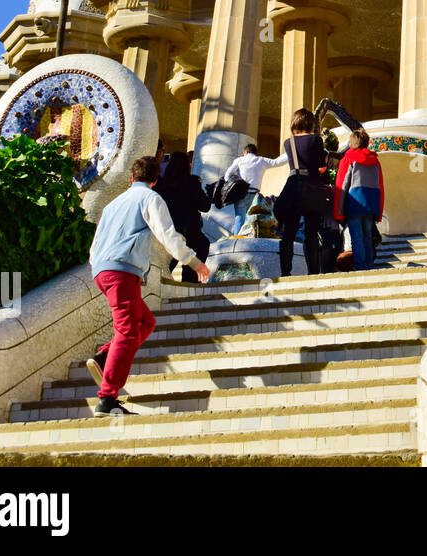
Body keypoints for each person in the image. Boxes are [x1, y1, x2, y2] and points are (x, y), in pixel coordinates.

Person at [85, 156, 210, 416]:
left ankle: (105, 357)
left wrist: (99, 266)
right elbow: (167, 235)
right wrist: (194, 262)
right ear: (155, 180)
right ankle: (107, 398)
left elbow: (96, 242)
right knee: (129, 331)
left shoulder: (113, 204)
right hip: (121, 270)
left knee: (145, 323)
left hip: (102, 270)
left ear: (132, 177)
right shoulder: (151, 198)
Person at [274, 108, 329, 277]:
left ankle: (285, 272)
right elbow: (321, 165)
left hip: (293, 186)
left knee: (289, 233)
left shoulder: (287, 142)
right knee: (311, 233)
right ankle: (312, 271)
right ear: (310, 122)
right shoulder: (315, 140)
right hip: (311, 186)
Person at [153, 152, 211, 283]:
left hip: (167, 229)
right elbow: (205, 206)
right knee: (201, 246)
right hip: (188, 229)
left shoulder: (161, 184)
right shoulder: (191, 182)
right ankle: (190, 281)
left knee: (170, 258)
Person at [333, 128, 384, 270]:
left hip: (354, 203)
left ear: (352, 142)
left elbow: (342, 185)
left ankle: (360, 266)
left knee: (356, 236)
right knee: (368, 236)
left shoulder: (348, 159)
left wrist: (339, 209)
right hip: (371, 204)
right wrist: (378, 209)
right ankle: (369, 265)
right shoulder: (375, 161)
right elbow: (380, 186)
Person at [223, 143, 286, 234]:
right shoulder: (261, 160)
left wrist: (231, 185)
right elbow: (277, 162)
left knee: (239, 217)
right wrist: (290, 152)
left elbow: (228, 174)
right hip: (254, 195)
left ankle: (237, 240)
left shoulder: (240, 160)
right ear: (255, 153)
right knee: (252, 219)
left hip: (240, 194)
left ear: (246, 152)